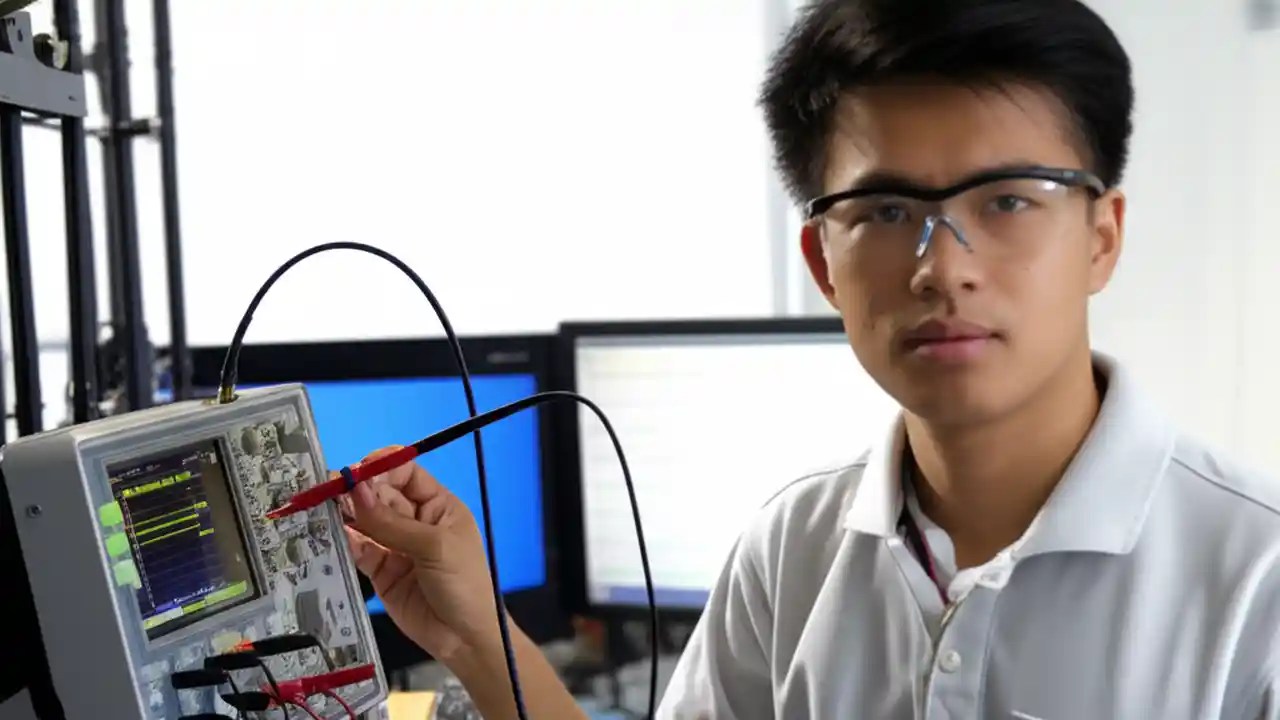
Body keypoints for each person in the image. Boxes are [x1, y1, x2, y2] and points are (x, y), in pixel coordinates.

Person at [343, 0, 1280, 717]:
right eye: (885, 213)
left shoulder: (1257, 581)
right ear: (821, 264)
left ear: (1102, 237)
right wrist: (478, 634)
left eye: (1008, 200)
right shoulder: (792, 549)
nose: (942, 268)